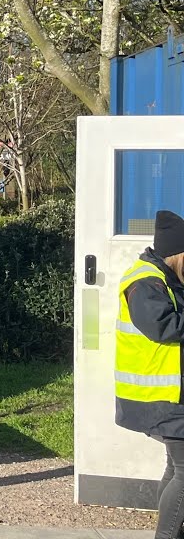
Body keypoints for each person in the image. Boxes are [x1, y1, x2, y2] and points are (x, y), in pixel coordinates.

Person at [115, 210, 184, 539]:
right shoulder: (144, 282)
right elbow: (163, 326)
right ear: (177, 254)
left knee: (177, 467)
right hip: (158, 398)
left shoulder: (166, 279)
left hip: (167, 396)